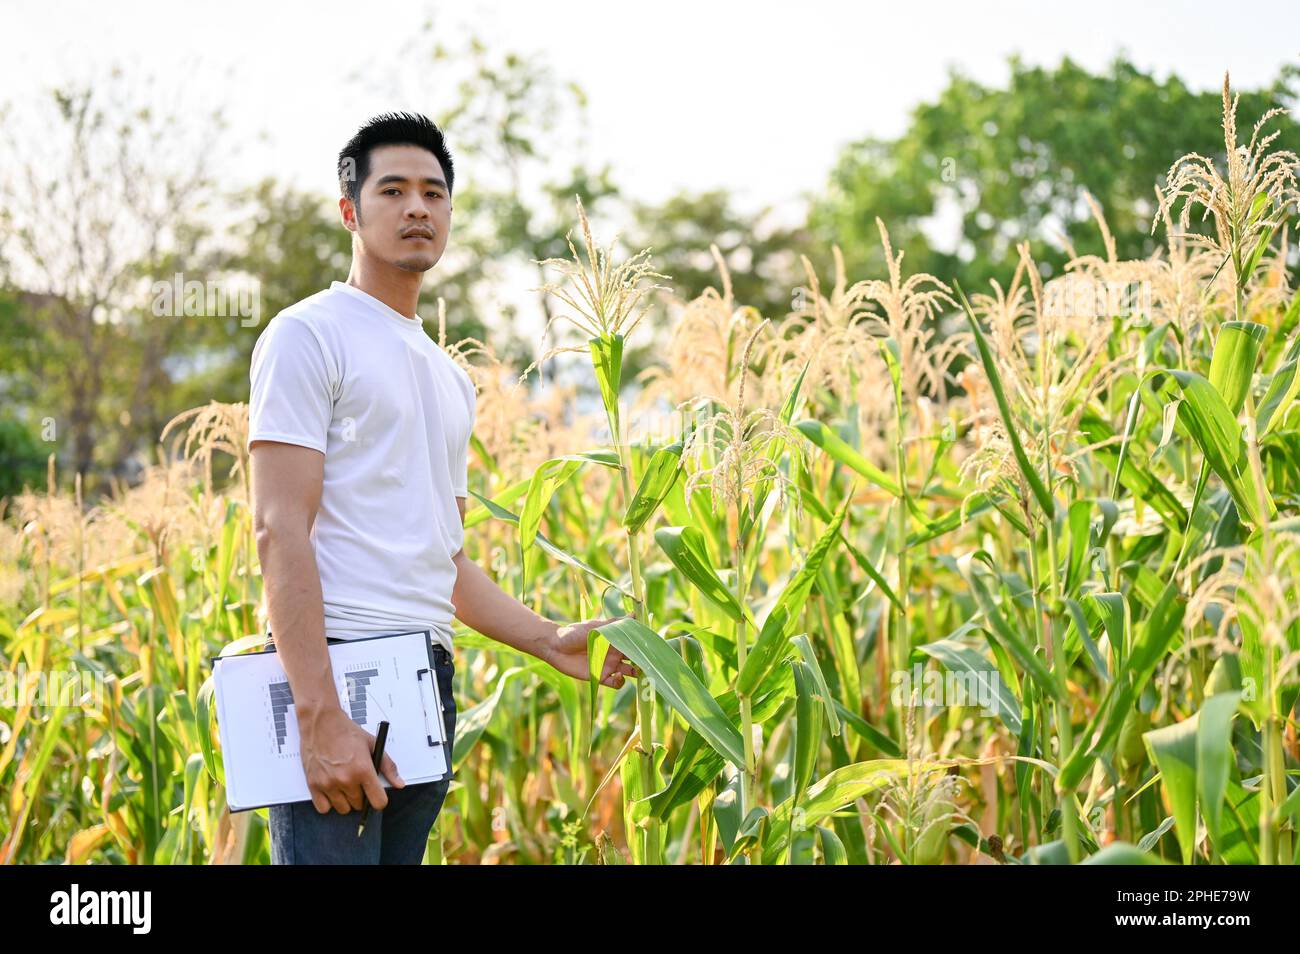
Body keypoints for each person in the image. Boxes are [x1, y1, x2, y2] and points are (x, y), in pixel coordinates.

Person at [247, 112, 637, 865]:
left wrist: (550, 639)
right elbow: (278, 528)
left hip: (426, 679)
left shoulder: (450, 379)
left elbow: (442, 558)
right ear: (350, 210)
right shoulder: (308, 334)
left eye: (434, 192)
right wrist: (319, 712)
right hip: (338, 668)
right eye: (392, 190)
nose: (417, 207)